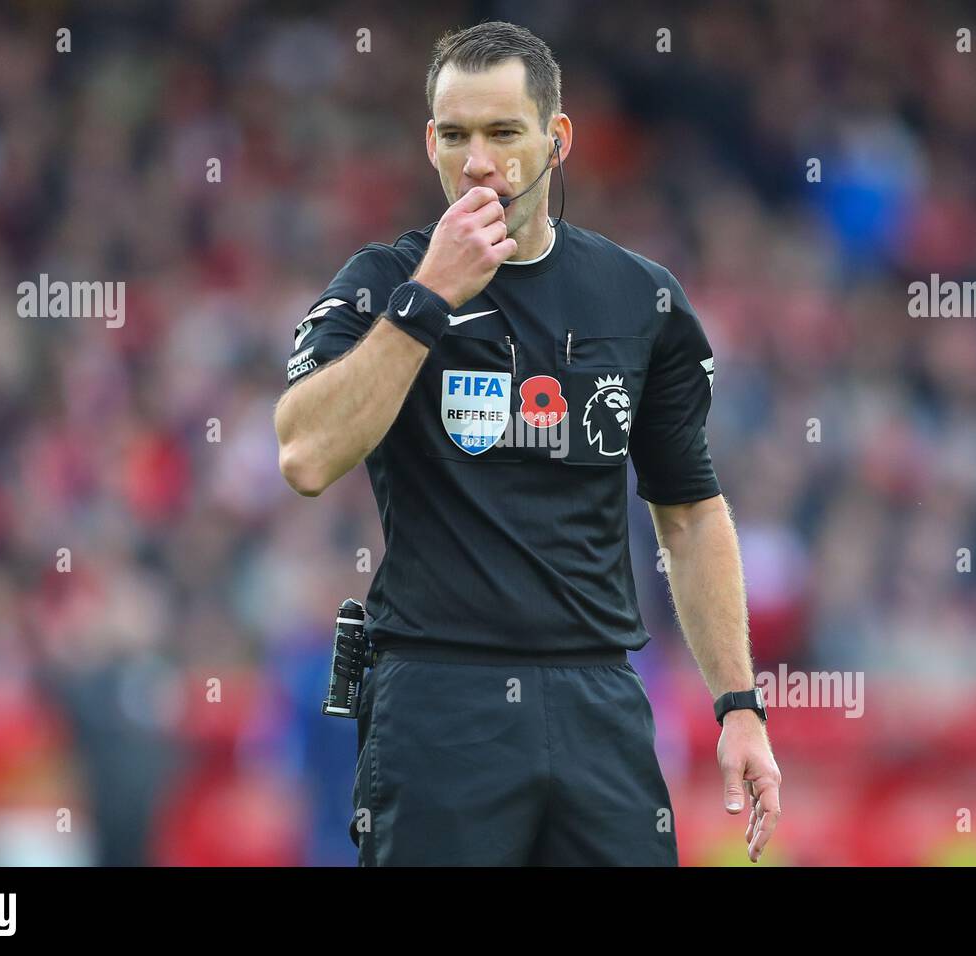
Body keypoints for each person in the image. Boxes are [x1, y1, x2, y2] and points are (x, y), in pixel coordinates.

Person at [274, 20, 781, 866]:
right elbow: (304, 456)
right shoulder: (381, 284)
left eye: (504, 132)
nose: (479, 160)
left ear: (557, 139)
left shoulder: (639, 300)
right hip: (438, 703)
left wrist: (739, 705)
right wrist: (427, 299)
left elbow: (690, 516)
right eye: (457, 135)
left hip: (599, 703)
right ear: (429, 142)